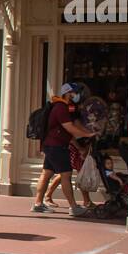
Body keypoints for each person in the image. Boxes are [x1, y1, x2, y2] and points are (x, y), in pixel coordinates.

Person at [32, 83, 96, 217]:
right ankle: (73, 207)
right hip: (56, 147)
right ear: (68, 93)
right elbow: (69, 128)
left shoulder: (64, 107)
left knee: (46, 174)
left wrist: (87, 132)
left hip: (51, 145)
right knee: (66, 175)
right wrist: (87, 134)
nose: (77, 95)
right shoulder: (61, 108)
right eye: (75, 92)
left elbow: (72, 128)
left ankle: (38, 204)